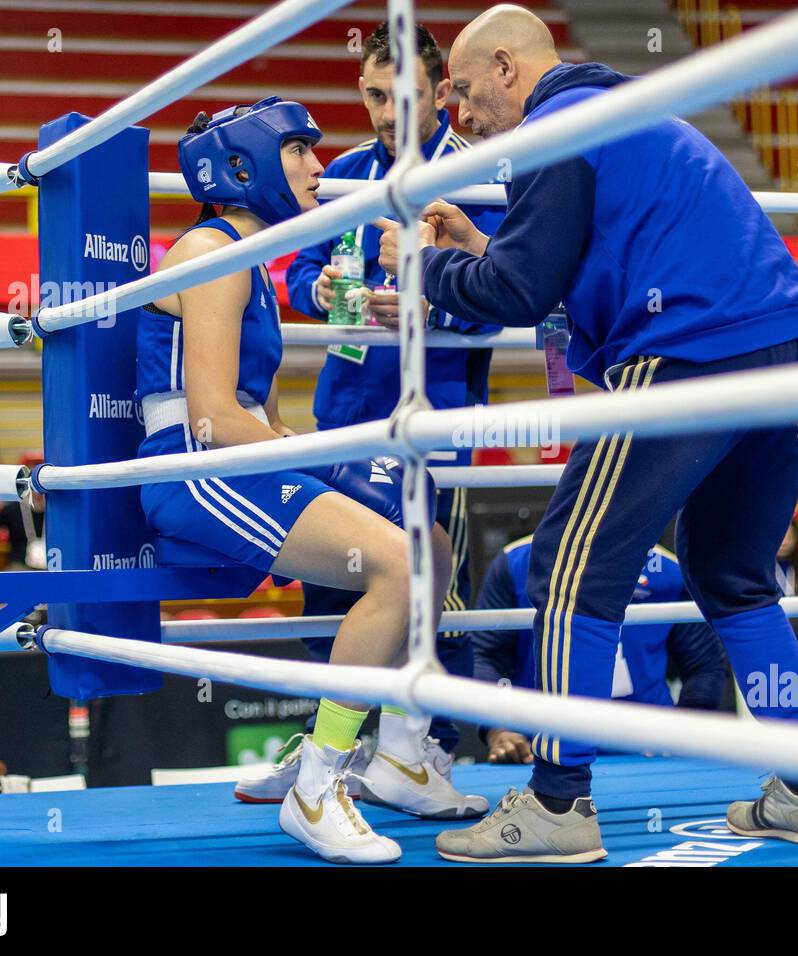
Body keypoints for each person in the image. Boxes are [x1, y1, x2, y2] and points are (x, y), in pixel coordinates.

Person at [377, 4, 798, 862]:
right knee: (733, 575)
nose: (461, 119)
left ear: (512, 70)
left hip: (691, 358)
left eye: (469, 95)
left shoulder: (556, 129)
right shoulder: (626, 119)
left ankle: (557, 804)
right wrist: (480, 249)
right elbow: (555, 274)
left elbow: (516, 293)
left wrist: (428, 268)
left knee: (565, 568)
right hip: (786, 351)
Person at [142, 97, 479, 865]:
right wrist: (310, 454)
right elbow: (212, 421)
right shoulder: (211, 251)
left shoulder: (247, 256)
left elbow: (257, 408)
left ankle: (395, 749)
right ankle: (320, 783)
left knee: (423, 538)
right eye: (298, 150)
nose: (318, 168)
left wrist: (306, 448)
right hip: (193, 469)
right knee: (395, 562)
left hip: (230, 456)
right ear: (242, 167)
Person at [282, 21, 506, 779]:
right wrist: (317, 290)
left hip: (432, 423)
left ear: (441, 92)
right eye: (373, 94)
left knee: (424, 587)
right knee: (328, 589)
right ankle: (329, 750)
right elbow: (294, 270)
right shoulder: (341, 173)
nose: (384, 112)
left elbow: (506, 295)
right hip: (345, 412)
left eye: (399, 95)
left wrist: (427, 293)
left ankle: (412, 751)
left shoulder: (480, 175)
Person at [469, 536, 728, 763]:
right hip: (541, 749)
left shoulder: (668, 570)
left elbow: (704, 665)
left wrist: (684, 732)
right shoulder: (516, 563)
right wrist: (499, 729)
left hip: (649, 750)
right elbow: (488, 655)